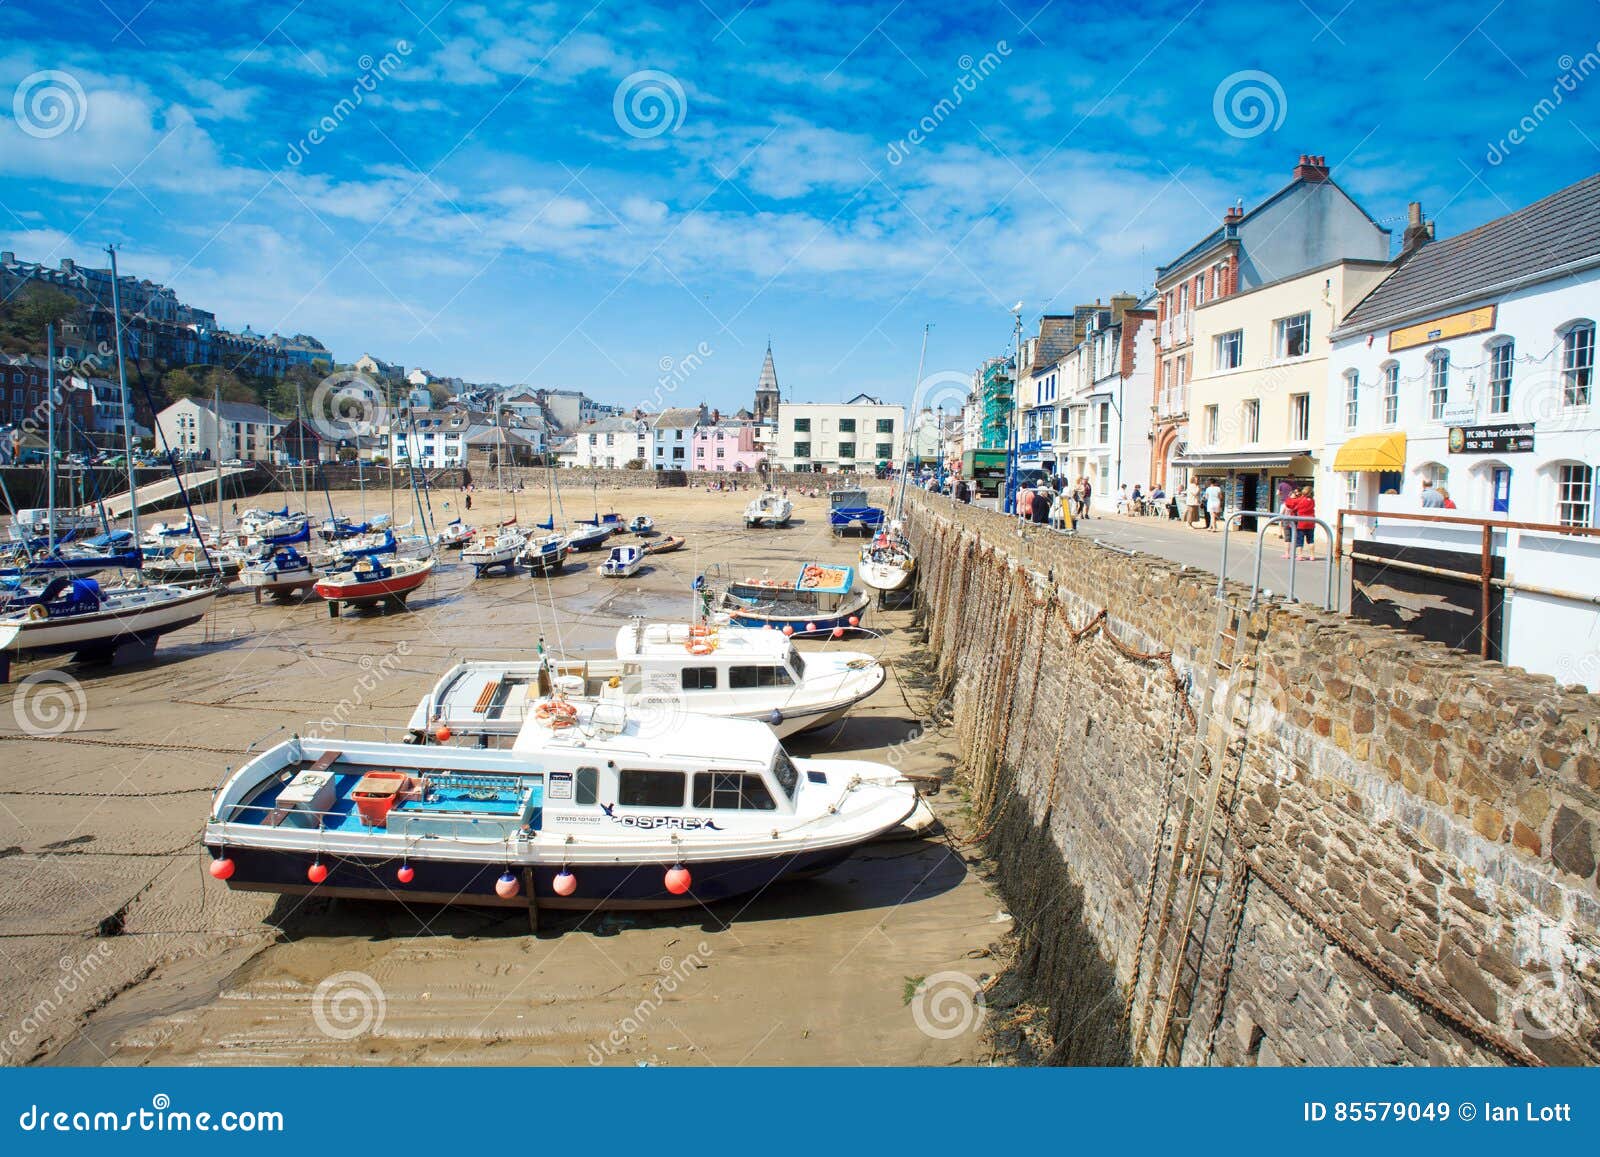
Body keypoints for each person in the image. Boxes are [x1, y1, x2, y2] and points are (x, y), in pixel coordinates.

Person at [1292, 486, 1317, 561]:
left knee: (1300, 540)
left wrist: (1293, 497)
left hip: (1302, 522)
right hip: (1311, 522)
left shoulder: (1301, 500)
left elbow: (1292, 505)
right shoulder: (1312, 500)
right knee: (1311, 540)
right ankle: (1312, 556)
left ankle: (1300, 555)